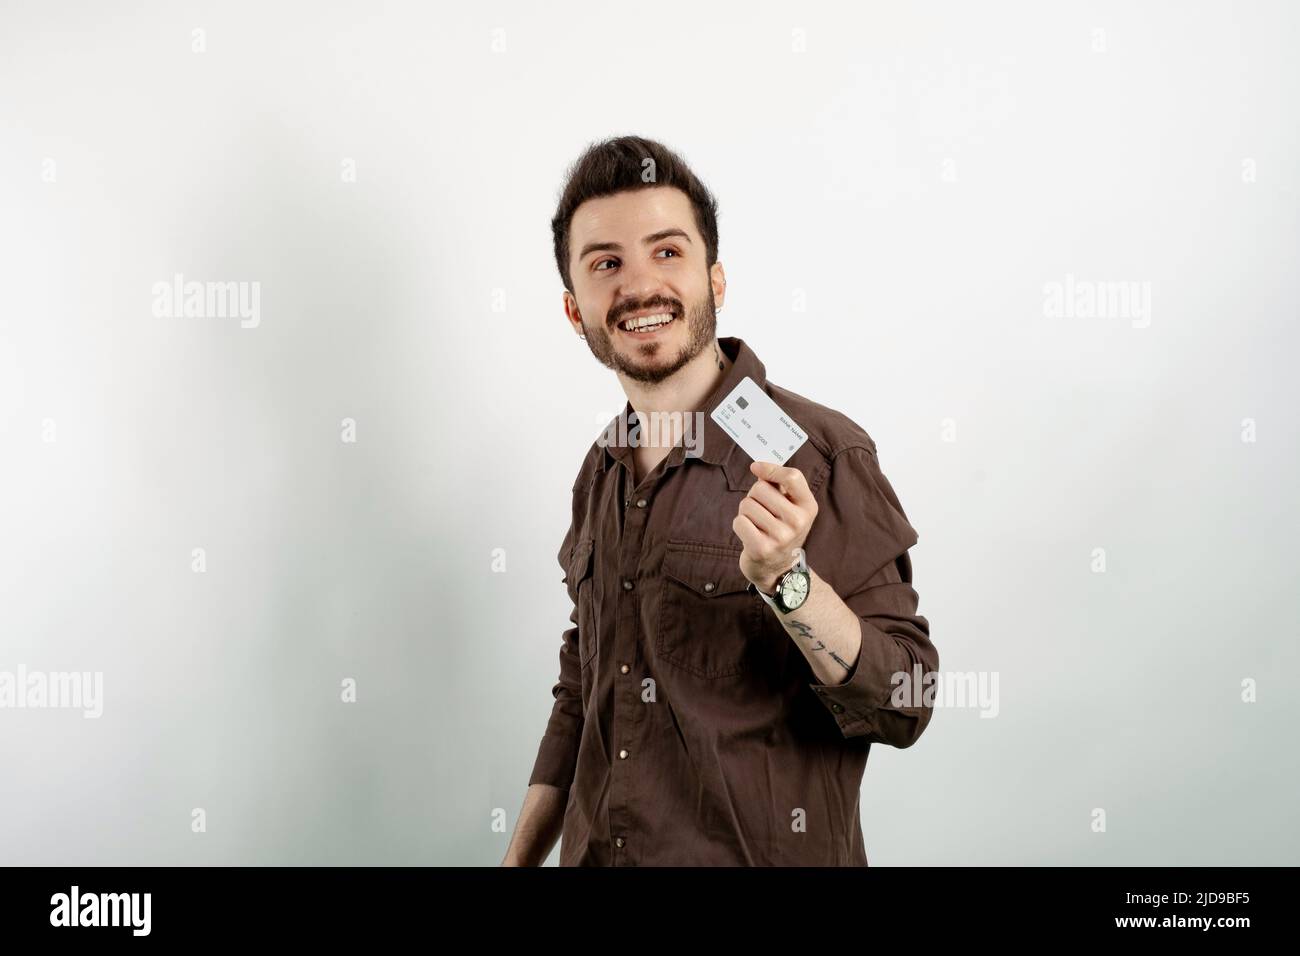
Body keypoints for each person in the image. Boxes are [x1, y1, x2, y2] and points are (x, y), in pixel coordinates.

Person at [502, 136, 937, 866]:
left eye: (667, 252)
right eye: (607, 263)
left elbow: (905, 699)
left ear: (716, 280)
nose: (640, 286)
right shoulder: (598, 474)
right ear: (576, 311)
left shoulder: (820, 454)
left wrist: (789, 583)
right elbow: (582, 694)